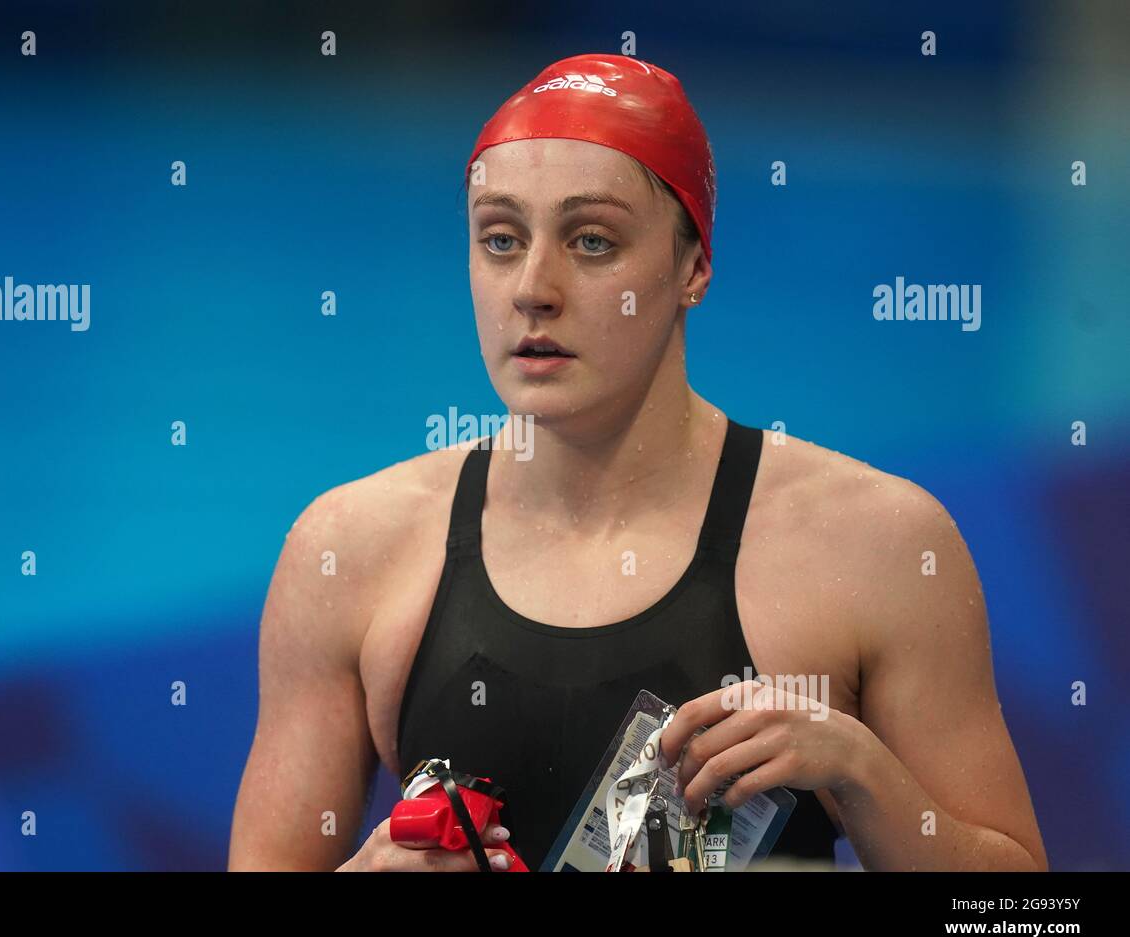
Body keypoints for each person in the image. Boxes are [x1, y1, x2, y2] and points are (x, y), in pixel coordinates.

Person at [227, 53, 1047, 872]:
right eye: (501, 239)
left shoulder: (877, 545)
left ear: (693, 267)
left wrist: (864, 775)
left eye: (592, 242)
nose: (533, 288)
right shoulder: (349, 552)